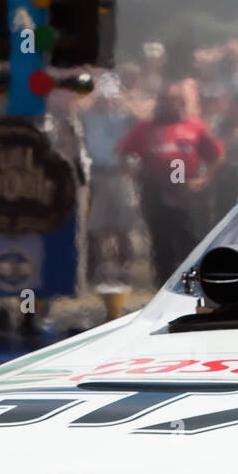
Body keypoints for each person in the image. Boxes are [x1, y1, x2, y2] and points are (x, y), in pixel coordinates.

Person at [118, 83, 225, 286]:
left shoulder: (193, 126)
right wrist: (135, 175)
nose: (168, 104)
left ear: (180, 103)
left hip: (185, 189)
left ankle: (193, 284)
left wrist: (204, 178)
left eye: (173, 100)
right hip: (156, 190)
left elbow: (216, 154)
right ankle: (163, 287)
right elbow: (124, 153)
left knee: (189, 238)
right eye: (164, 100)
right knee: (161, 240)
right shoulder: (146, 128)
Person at [80, 70, 139, 318]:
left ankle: (125, 271)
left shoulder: (126, 116)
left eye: (111, 98)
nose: (107, 102)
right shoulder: (87, 116)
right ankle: (96, 271)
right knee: (96, 227)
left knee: (123, 226)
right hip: (97, 173)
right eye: (103, 98)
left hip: (120, 173)